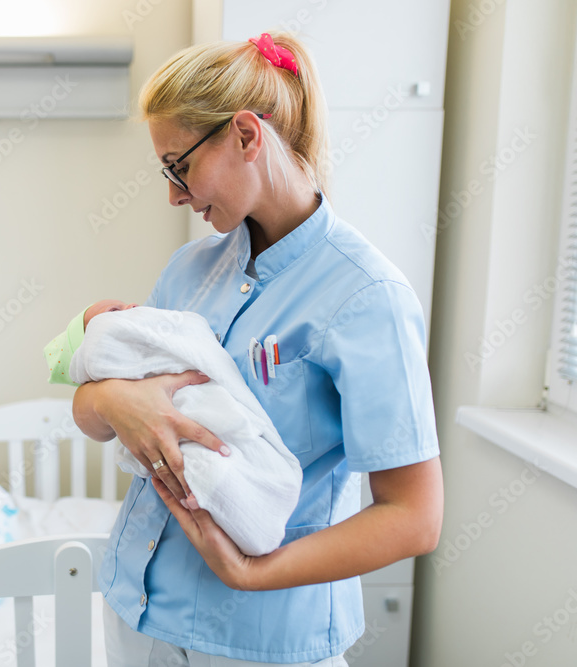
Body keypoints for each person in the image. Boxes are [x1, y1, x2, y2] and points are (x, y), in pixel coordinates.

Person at [70, 32, 444, 665]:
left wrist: (253, 574)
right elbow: (95, 413)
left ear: (245, 135)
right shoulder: (190, 270)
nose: (174, 195)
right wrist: (111, 397)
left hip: (259, 637)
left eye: (178, 166)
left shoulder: (367, 295)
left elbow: (414, 517)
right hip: (136, 606)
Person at [44, 298, 303, 556]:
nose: (131, 307)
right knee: (207, 468)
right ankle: (240, 511)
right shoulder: (111, 335)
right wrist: (109, 397)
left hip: (280, 566)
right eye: (113, 311)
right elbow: (87, 400)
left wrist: (249, 576)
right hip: (137, 561)